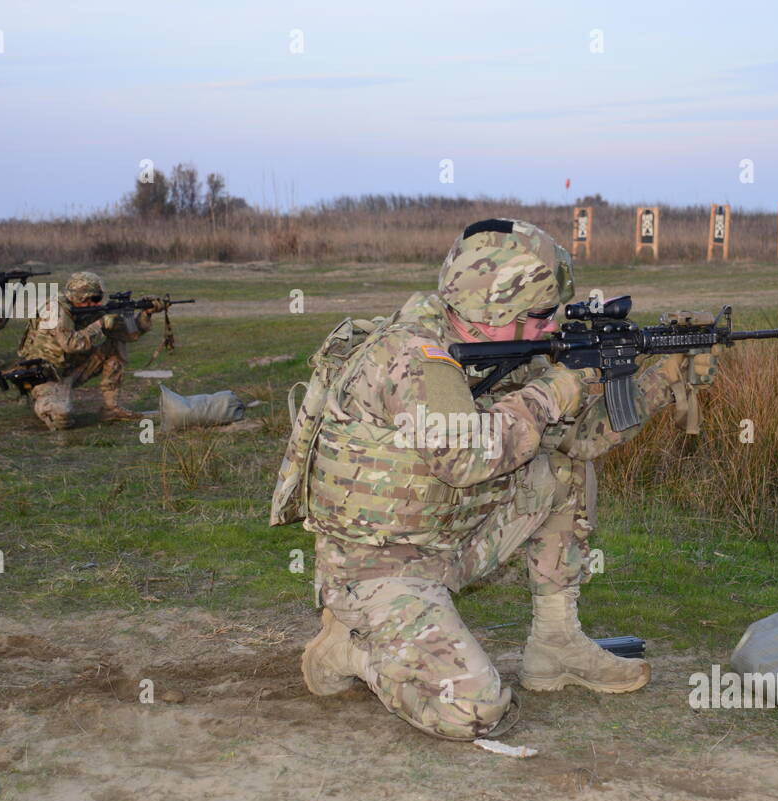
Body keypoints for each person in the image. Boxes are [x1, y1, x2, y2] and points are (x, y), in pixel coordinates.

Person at [272, 218, 706, 740]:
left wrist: (665, 378)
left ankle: (556, 642)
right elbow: (467, 459)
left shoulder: (497, 348)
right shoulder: (412, 357)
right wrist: (555, 391)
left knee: (560, 468)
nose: (552, 325)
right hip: (377, 568)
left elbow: (580, 440)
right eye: (542, 313)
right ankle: (352, 650)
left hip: (446, 544)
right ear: (495, 308)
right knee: (475, 711)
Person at [17, 270, 158, 429]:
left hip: (70, 370)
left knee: (114, 343)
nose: (98, 303)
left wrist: (145, 313)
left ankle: (111, 409)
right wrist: (100, 324)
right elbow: (70, 344)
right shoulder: (55, 309)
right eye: (94, 298)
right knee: (62, 419)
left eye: (99, 298)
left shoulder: (90, 309)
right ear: (80, 296)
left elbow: (130, 335)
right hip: (45, 375)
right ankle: (41, 399)